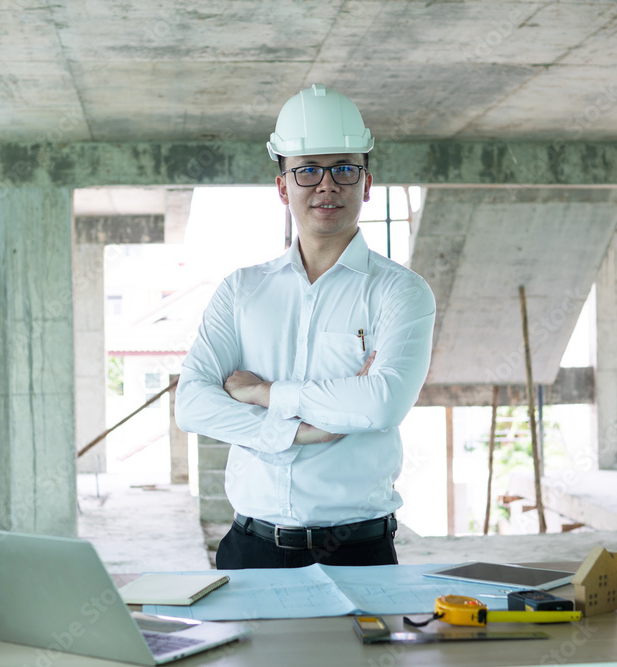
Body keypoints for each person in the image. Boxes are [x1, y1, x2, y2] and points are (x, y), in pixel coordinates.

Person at [175, 83, 435, 569]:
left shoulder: (400, 292)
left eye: (344, 169)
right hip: (250, 549)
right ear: (283, 187)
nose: (327, 184)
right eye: (307, 170)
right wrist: (298, 432)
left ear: (366, 183)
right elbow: (192, 403)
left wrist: (265, 393)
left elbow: (380, 404)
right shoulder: (242, 291)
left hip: (359, 554)